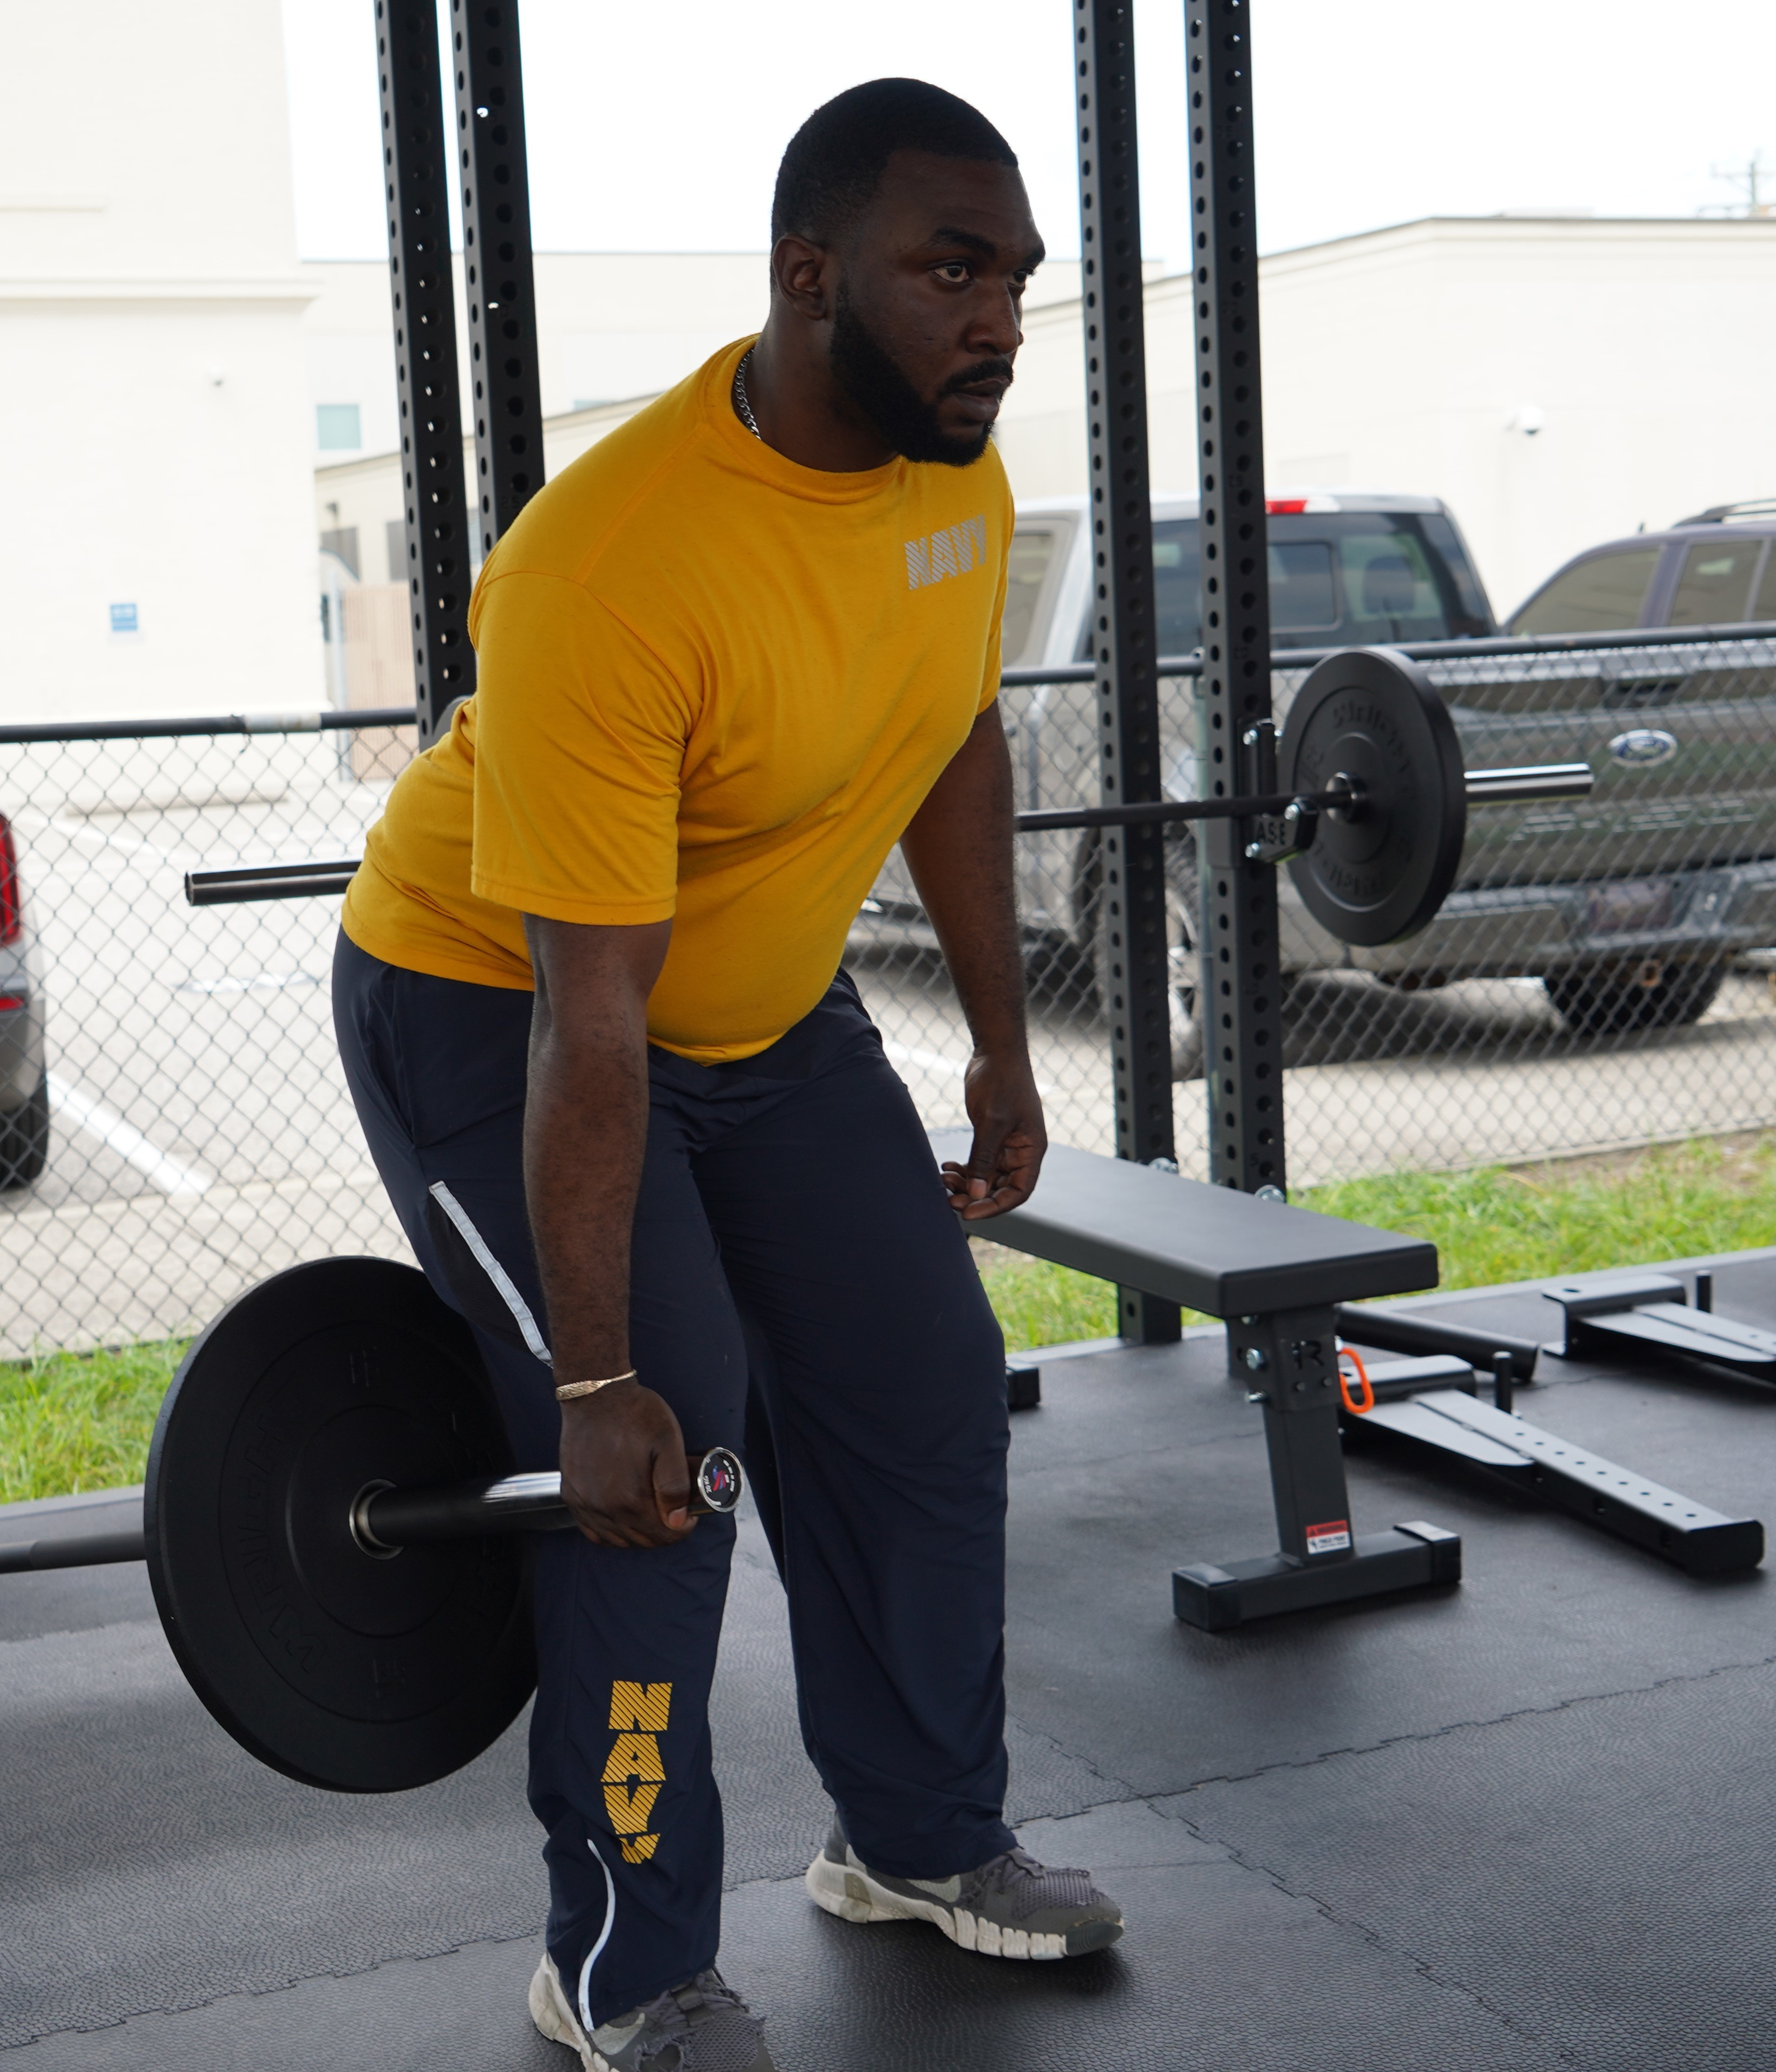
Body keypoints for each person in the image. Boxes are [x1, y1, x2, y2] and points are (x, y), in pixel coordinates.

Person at [331, 77, 1124, 2072]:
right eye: (953, 272)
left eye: (1018, 281)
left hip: (764, 1020)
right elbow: (588, 1019)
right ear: (810, 274)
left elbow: (953, 744)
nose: (1000, 322)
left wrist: (1004, 1045)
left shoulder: (956, 481)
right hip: (493, 1005)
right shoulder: (614, 565)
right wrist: (597, 1384)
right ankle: (619, 1965)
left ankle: (918, 1839)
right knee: (657, 1476)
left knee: (924, 1388)